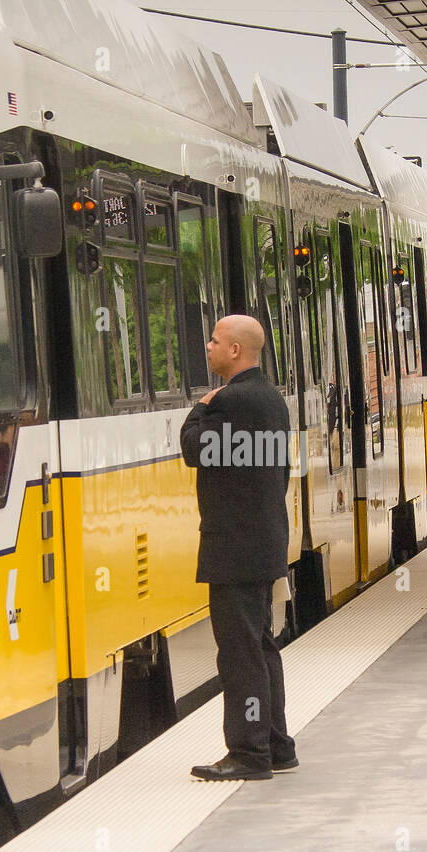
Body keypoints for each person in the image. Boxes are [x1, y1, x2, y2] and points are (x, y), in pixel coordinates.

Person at [181, 314, 298, 780]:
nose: (207, 346)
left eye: (213, 340)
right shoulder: (271, 399)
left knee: (239, 653)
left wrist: (200, 407)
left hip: (234, 546)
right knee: (260, 645)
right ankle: (277, 745)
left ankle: (249, 754)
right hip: (263, 540)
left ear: (234, 351)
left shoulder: (231, 401)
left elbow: (194, 449)